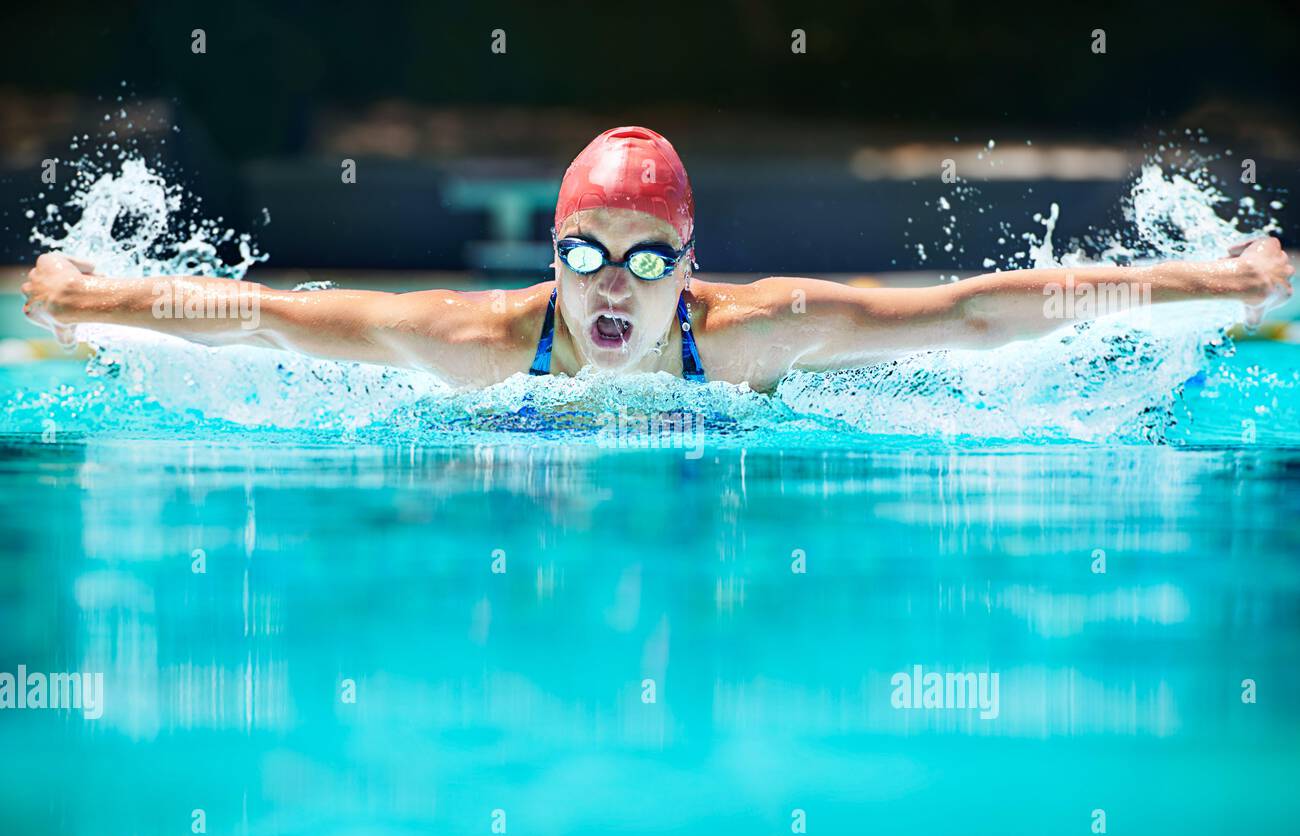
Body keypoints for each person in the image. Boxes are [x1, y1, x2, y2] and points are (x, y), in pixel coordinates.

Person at [21, 126, 1294, 393]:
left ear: (689, 262)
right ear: (551, 255)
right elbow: (269, 318)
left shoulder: (746, 331)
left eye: (642, 260)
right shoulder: (472, 341)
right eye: (584, 254)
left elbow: (971, 314)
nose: (612, 286)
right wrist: (98, 299)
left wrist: (1220, 287)